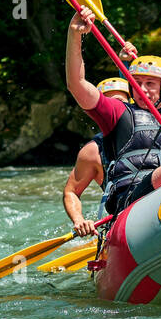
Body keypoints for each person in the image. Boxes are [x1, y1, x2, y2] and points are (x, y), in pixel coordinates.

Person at [66, 6, 161, 216]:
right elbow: (77, 83)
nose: (142, 88)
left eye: (150, 83)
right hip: (131, 200)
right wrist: (74, 34)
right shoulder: (117, 112)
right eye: (137, 82)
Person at [61, 78, 132, 235]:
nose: (114, 107)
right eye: (108, 102)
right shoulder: (92, 151)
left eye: (120, 101)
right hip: (123, 220)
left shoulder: (153, 130)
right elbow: (71, 192)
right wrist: (79, 220)